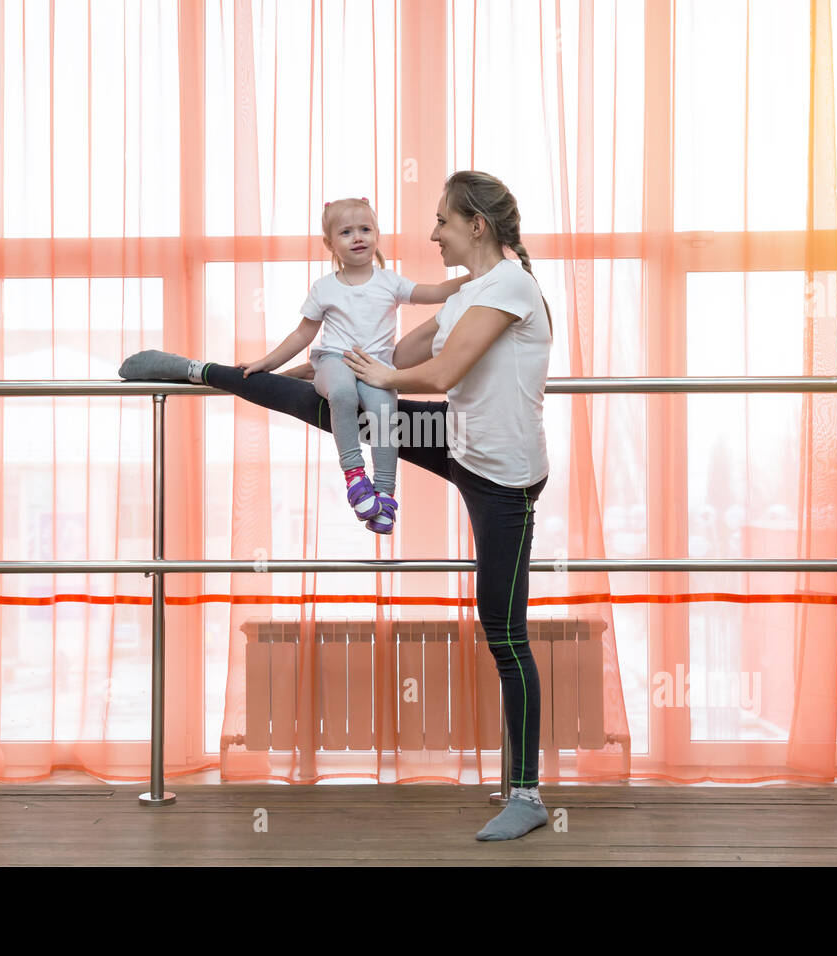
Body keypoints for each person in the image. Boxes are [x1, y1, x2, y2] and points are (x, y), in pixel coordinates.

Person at [119, 170, 554, 841]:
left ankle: (525, 795)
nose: (431, 233)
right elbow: (396, 350)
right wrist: (325, 369)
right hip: (457, 443)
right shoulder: (471, 292)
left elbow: (439, 374)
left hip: (506, 479)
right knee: (333, 402)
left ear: (475, 224)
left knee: (502, 628)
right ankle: (201, 371)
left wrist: (378, 375)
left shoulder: (511, 288)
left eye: (441, 220)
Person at [233, 196, 468, 533]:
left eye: (365, 229)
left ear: (376, 235)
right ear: (330, 244)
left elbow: (435, 291)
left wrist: (479, 276)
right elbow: (302, 335)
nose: (357, 237)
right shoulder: (324, 288)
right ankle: (354, 474)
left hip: (374, 366)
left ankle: (384, 494)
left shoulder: (391, 282)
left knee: (385, 413)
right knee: (342, 394)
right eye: (346, 232)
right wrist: (265, 362)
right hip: (333, 361)